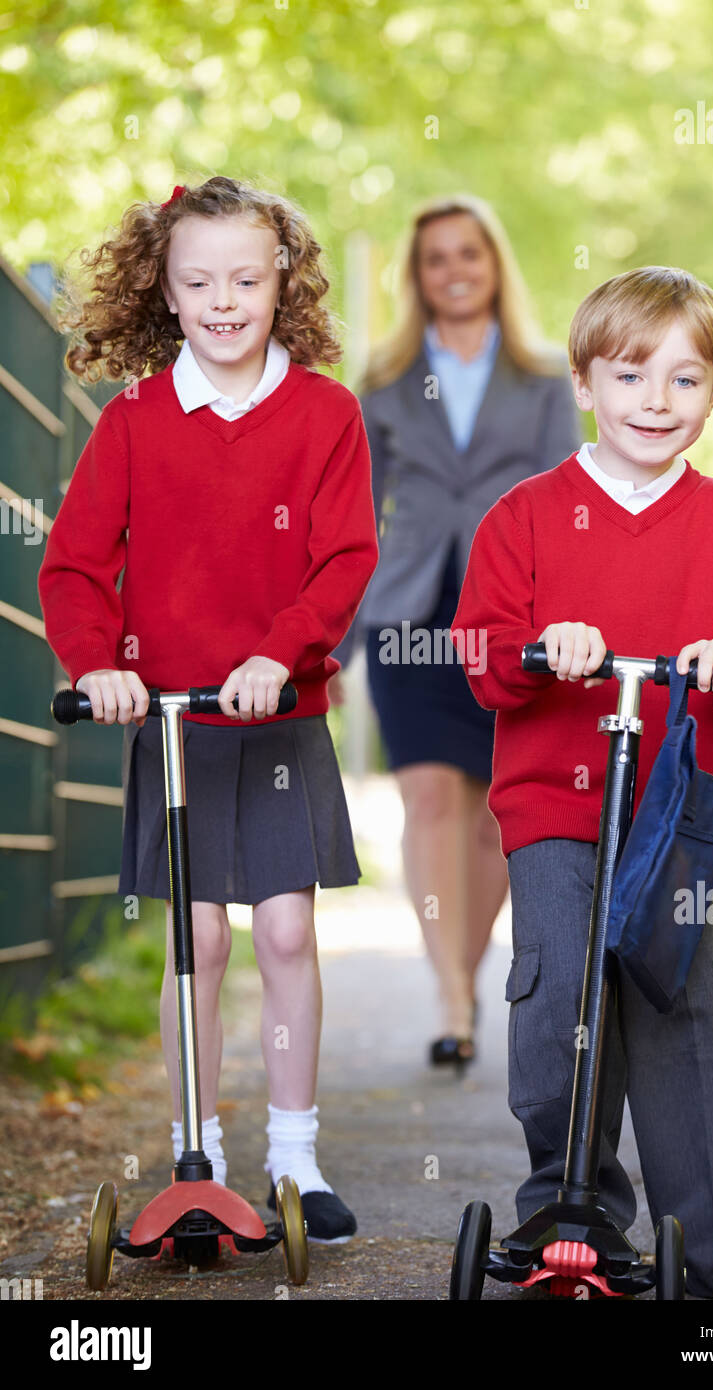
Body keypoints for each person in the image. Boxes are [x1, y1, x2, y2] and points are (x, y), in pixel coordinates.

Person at [450, 265, 713, 1298]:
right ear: (582, 383)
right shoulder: (523, 518)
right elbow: (481, 655)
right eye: (628, 376)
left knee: (686, 1005)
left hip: (671, 812)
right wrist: (539, 647)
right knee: (558, 989)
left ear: (711, 394)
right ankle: (574, 1209)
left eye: (684, 381)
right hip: (553, 808)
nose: (655, 403)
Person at [37, 175, 378, 1244]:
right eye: (198, 281)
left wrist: (282, 653)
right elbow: (75, 566)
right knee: (196, 938)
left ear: (283, 283)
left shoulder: (324, 413)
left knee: (281, 929)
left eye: (244, 277)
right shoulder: (136, 419)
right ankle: (200, 1153)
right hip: (174, 723)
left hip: (272, 723)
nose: (223, 299)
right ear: (165, 293)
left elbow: (343, 557)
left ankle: (293, 1155)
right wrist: (99, 664)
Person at [331, 194, 581, 1069]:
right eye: (436, 258)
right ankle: (448, 998)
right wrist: (333, 643)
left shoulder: (549, 379)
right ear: (420, 276)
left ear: (494, 263)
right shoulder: (386, 383)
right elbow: (355, 518)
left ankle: (468, 979)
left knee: (491, 821)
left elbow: (567, 501)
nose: (454, 270)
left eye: (468, 253)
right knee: (431, 797)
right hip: (409, 614)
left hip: (513, 616)